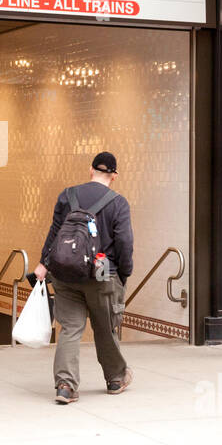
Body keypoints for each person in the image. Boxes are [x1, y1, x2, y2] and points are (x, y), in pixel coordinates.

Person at [33, 152, 134, 404]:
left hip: (65, 274)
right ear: (114, 176)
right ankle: (115, 379)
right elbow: (124, 242)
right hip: (102, 274)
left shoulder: (68, 195)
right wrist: (123, 272)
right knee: (105, 328)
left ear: (91, 170)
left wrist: (44, 264)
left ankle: (65, 386)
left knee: (70, 328)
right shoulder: (118, 203)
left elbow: (55, 233)